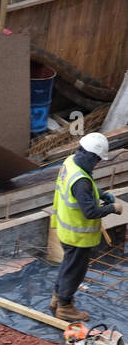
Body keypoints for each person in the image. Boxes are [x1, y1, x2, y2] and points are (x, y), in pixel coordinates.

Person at [50, 132, 122, 322]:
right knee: (75, 271)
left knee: (68, 265)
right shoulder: (80, 182)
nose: (97, 164)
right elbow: (89, 212)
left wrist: (100, 193)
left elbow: (85, 184)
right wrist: (112, 208)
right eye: (97, 160)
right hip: (77, 236)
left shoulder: (70, 162)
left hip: (65, 229)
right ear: (91, 156)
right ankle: (65, 307)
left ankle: (57, 298)